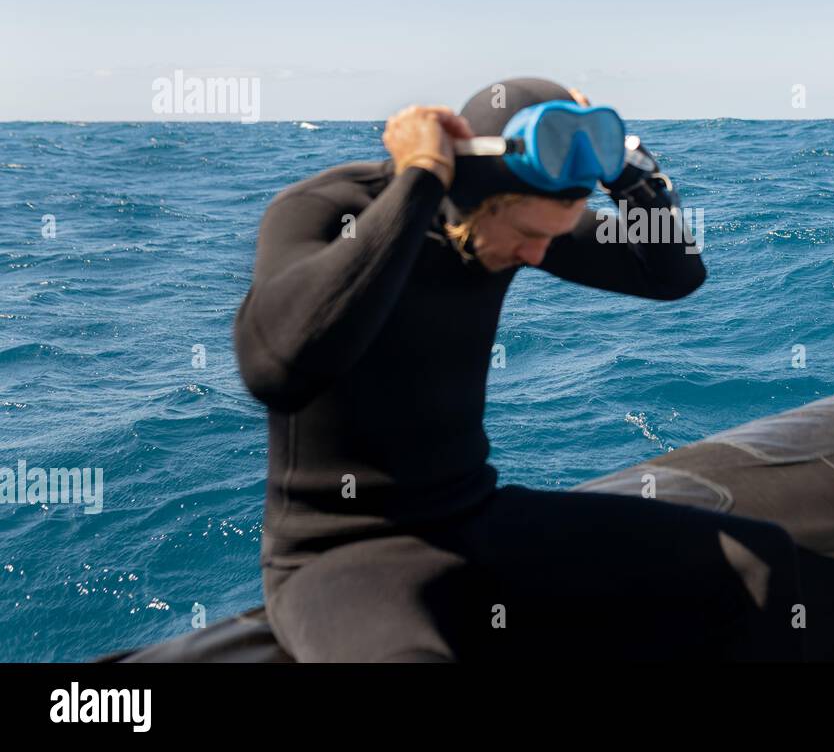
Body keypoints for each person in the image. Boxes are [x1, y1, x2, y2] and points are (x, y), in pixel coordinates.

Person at [234, 77, 805, 661]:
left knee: (758, 560)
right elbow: (278, 369)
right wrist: (423, 179)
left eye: (550, 237)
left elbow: (673, 276)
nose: (538, 256)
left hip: (476, 515)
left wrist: (630, 172)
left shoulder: (516, 219)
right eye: (531, 236)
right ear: (476, 188)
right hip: (340, 552)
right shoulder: (328, 208)